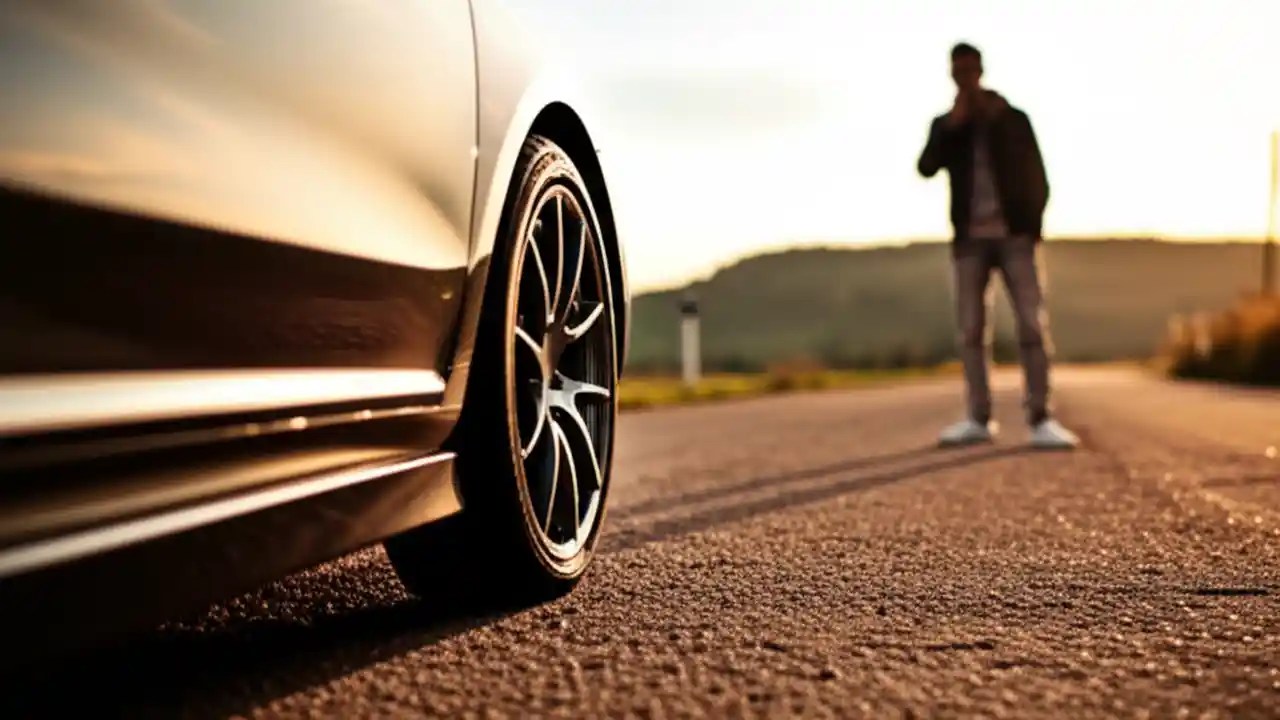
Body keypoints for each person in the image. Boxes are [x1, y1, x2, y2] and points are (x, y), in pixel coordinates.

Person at [917, 42, 1079, 449]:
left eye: (970, 70)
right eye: (959, 72)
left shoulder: (1012, 119)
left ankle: (1040, 417)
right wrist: (953, 125)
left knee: (1031, 325)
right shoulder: (947, 125)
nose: (965, 79)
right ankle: (978, 417)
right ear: (952, 75)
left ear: (981, 71)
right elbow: (926, 166)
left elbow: (1038, 176)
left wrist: (1031, 228)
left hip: (1014, 238)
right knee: (971, 331)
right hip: (969, 242)